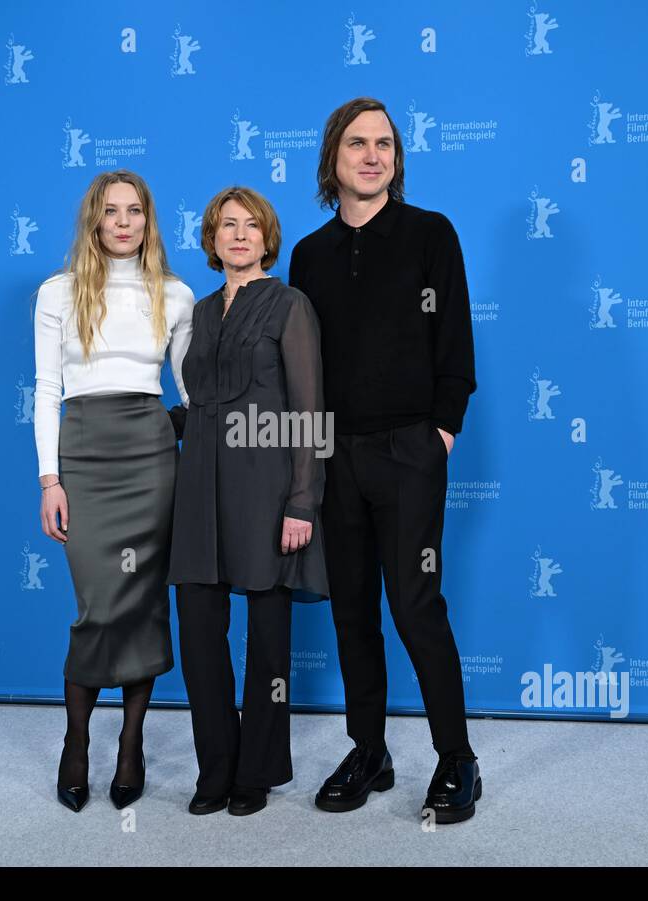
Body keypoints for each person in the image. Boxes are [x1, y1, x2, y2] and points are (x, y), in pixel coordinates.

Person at [287, 97, 481, 824]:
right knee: (351, 612)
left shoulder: (431, 234)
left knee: (415, 606)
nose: (374, 155)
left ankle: (457, 758)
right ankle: (369, 749)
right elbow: (298, 369)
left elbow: (455, 345)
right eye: (359, 144)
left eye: (387, 145)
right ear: (332, 159)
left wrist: (442, 434)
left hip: (409, 450)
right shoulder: (309, 255)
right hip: (334, 455)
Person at [32, 169, 194, 812]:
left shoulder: (175, 295)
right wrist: (50, 478)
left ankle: (131, 743)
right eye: (110, 212)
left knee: (142, 602)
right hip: (85, 451)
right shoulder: (57, 292)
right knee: (99, 604)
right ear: (93, 222)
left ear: (149, 221)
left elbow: (193, 390)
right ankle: (77, 742)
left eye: (135, 212)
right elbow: (47, 390)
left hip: (151, 456)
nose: (123, 222)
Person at [168, 186, 329, 817]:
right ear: (211, 239)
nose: (239, 235)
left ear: (267, 237)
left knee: (268, 639)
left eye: (251, 225)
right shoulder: (201, 313)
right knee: (200, 635)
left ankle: (256, 771)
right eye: (227, 225)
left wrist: (302, 501)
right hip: (199, 490)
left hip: (268, 492)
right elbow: (197, 403)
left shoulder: (290, 306)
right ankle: (216, 768)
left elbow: (310, 413)